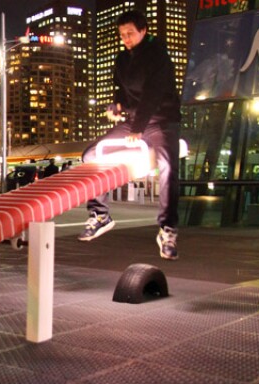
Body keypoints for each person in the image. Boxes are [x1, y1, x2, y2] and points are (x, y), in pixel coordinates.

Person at [78, 10, 181, 261]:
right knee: (90, 155)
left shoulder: (157, 54)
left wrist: (138, 129)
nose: (126, 38)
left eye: (130, 33)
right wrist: (117, 106)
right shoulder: (122, 59)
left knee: (168, 165)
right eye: (122, 34)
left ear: (143, 31)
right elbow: (122, 93)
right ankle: (100, 214)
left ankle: (168, 229)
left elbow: (153, 93)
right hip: (135, 121)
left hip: (162, 120)